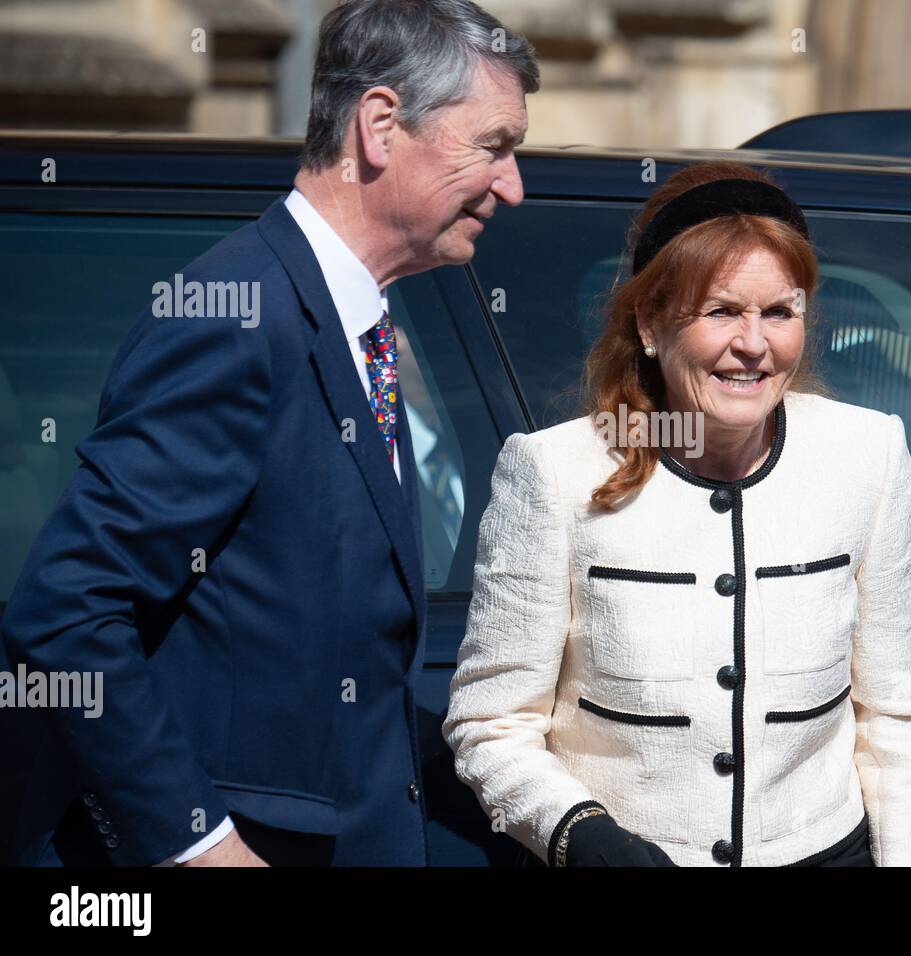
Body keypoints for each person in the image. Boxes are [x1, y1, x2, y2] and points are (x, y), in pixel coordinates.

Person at [0, 0, 536, 867]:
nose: (512, 186)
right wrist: (200, 844)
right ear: (380, 125)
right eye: (494, 146)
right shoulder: (236, 317)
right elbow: (66, 613)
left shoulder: (355, 324)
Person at [443, 161, 911, 866]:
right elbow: (491, 723)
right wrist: (581, 835)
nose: (753, 344)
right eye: (721, 311)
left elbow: (895, 715)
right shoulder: (556, 470)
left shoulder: (869, 454)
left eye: (779, 312)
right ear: (650, 323)